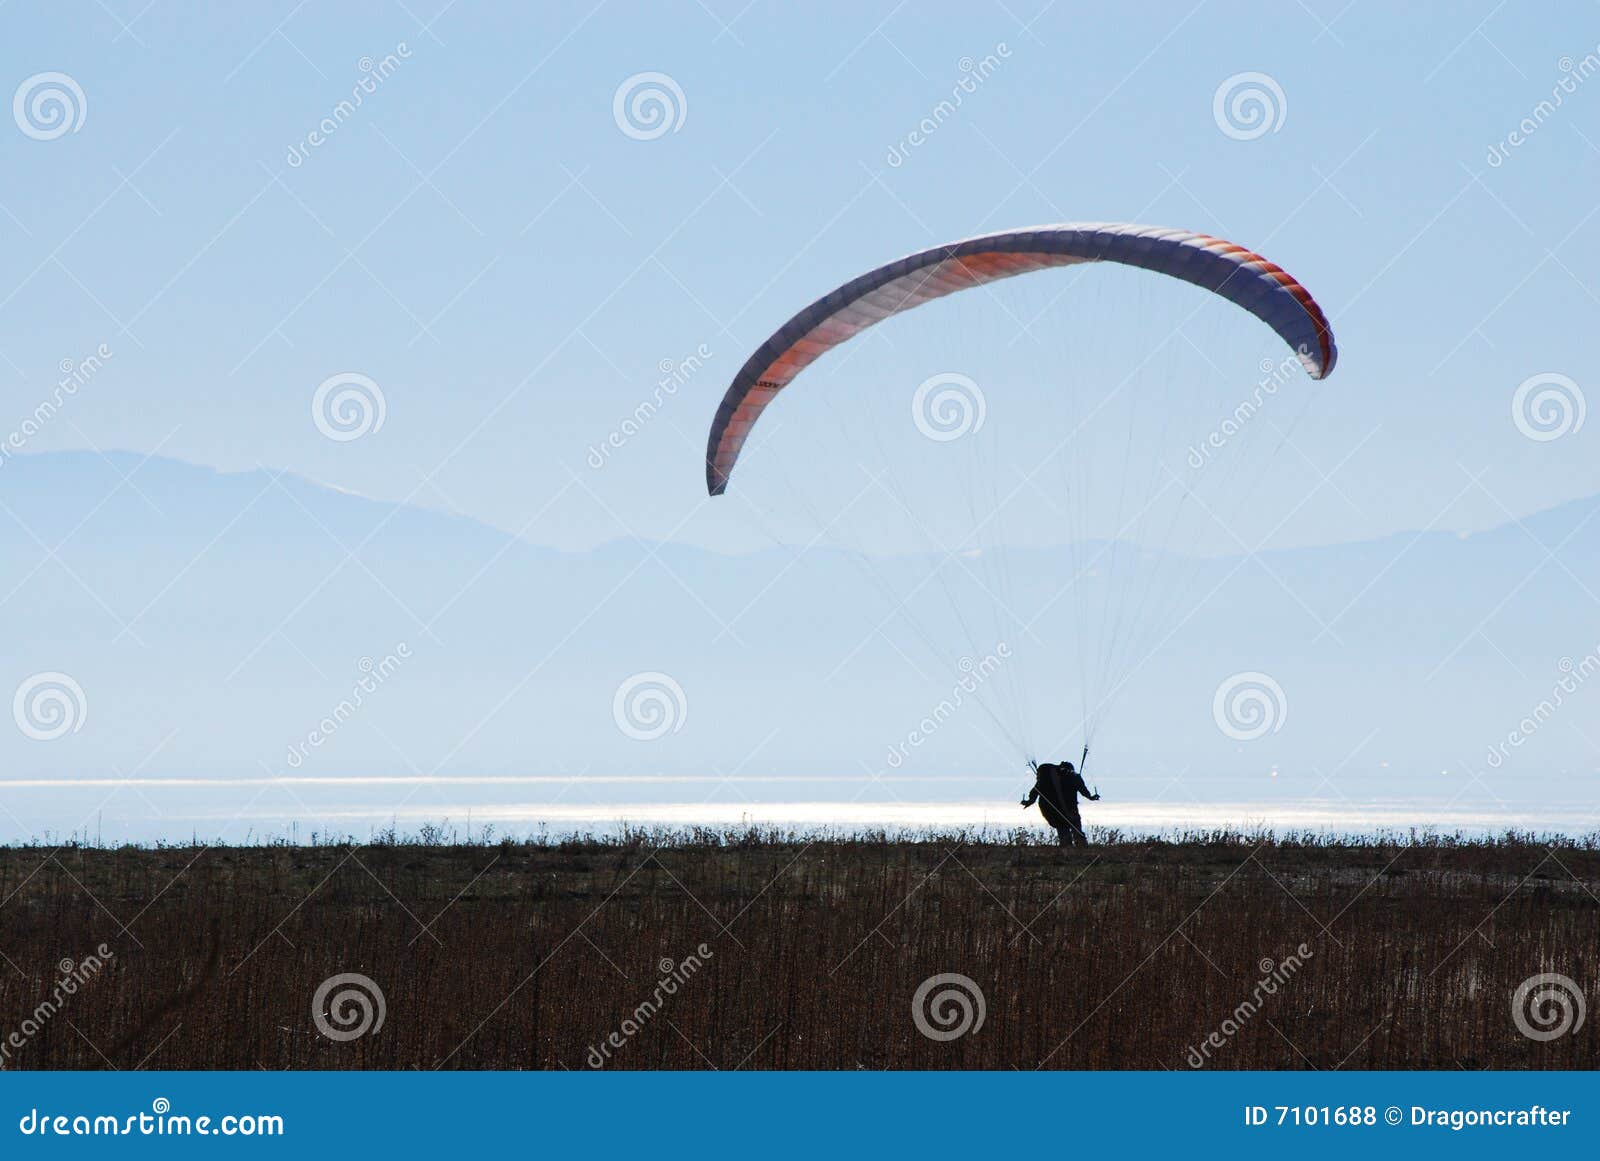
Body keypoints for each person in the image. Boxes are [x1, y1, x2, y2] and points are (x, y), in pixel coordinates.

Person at [1021, 759, 1100, 847]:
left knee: (1063, 830)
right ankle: (1080, 849)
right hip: (1070, 810)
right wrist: (1091, 797)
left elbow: (1035, 792)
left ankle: (1067, 849)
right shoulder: (1072, 778)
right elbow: (1083, 790)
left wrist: (1029, 802)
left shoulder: (1047, 780)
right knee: (1075, 828)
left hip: (1054, 812)